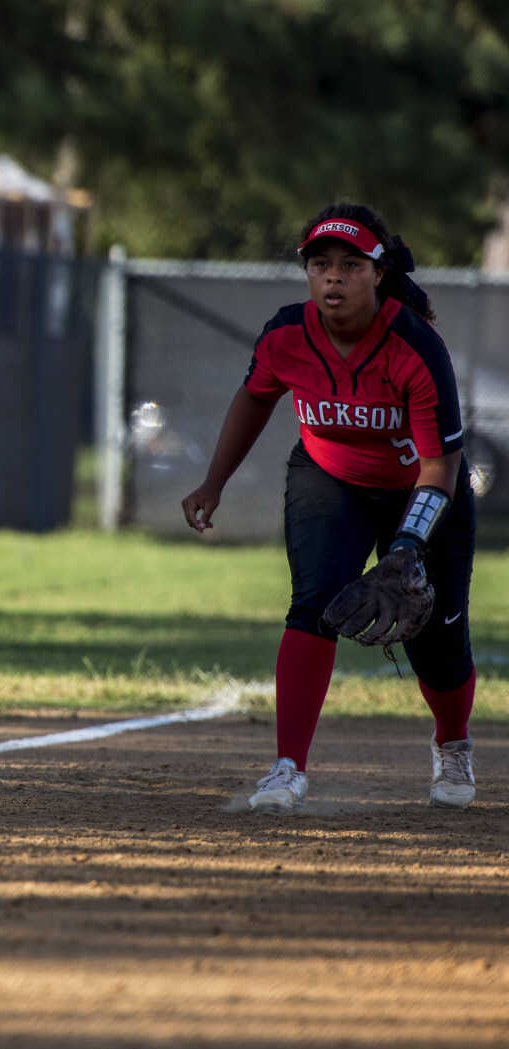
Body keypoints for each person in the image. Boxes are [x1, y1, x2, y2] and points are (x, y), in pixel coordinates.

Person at [181, 203, 477, 812]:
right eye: (320, 264)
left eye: (350, 264)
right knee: (313, 605)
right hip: (330, 477)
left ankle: (452, 743)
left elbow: (440, 466)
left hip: (420, 489)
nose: (334, 276)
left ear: (378, 273)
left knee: (438, 639)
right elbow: (255, 398)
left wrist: (408, 544)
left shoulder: (415, 346)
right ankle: (287, 767)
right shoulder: (286, 335)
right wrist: (214, 482)